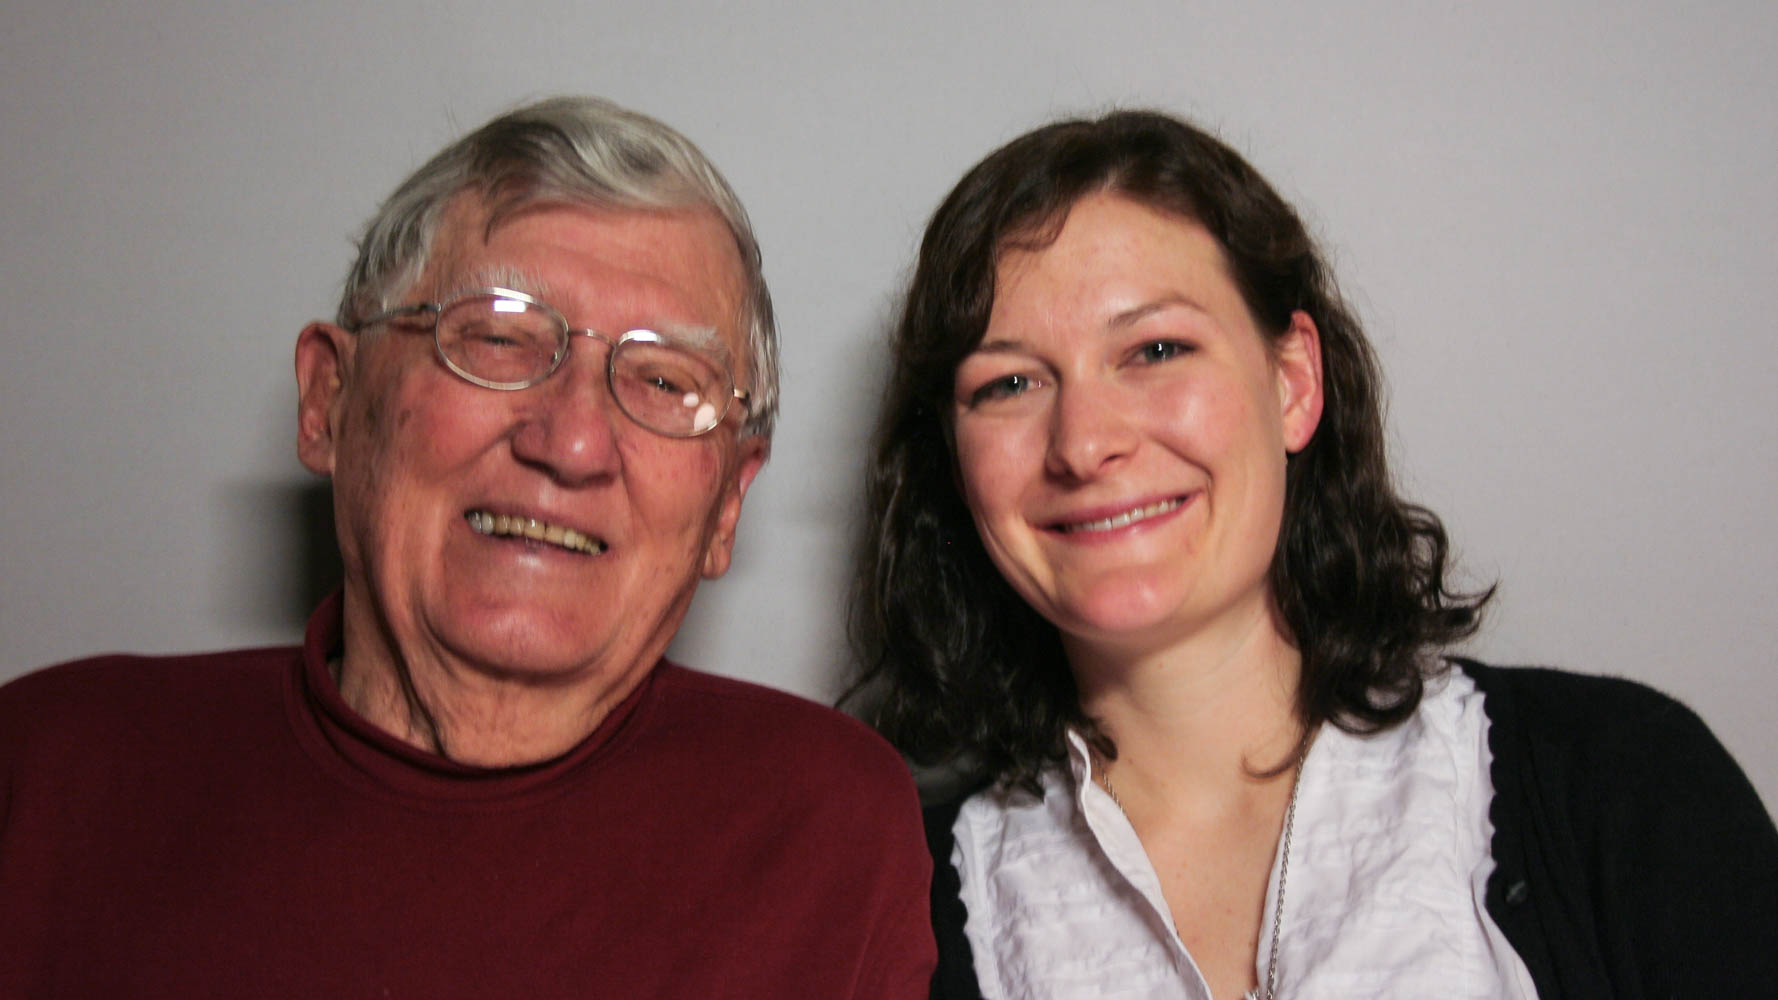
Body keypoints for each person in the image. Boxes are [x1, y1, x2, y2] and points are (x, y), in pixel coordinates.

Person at [0, 96, 934, 997]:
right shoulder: (51, 775)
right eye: (496, 338)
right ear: (329, 401)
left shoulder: (825, 830)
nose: (570, 443)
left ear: (728, 504)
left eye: (661, 380)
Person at [851, 110, 1778, 999]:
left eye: (1157, 349)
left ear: (1293, 383)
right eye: (1008, 382)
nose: (1084, 443)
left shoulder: (1622, 789)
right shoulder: (889, 916)